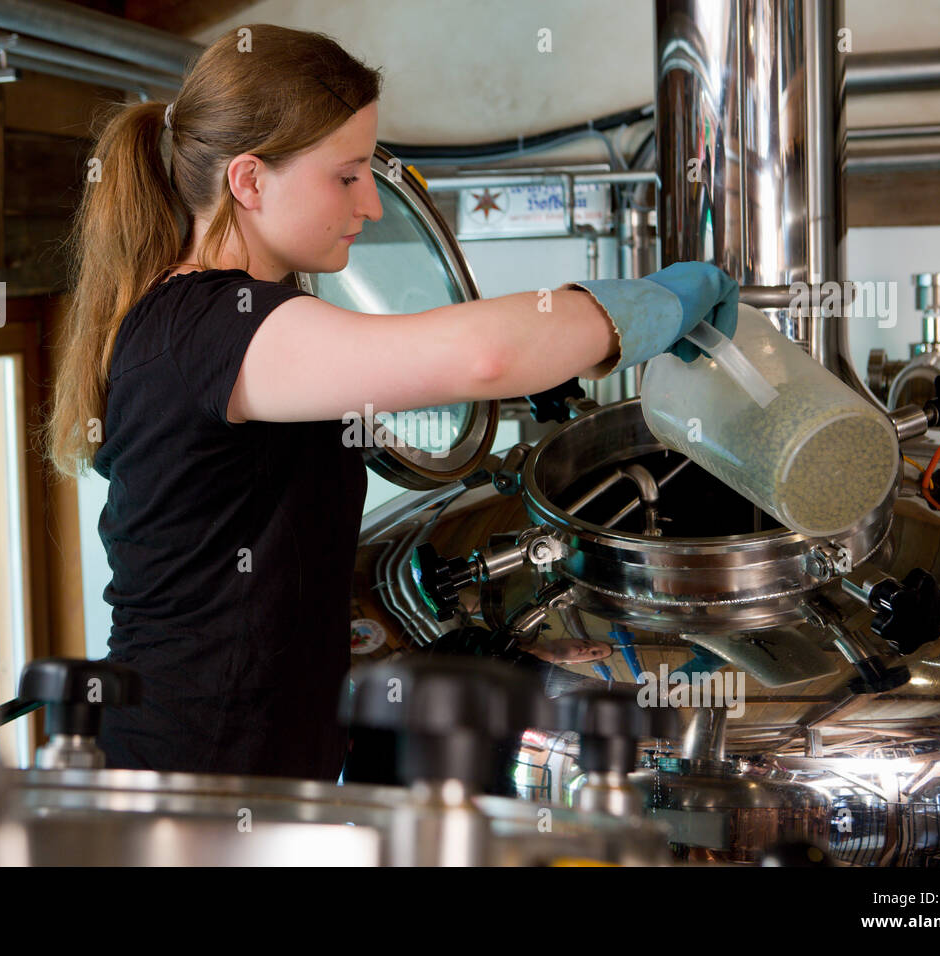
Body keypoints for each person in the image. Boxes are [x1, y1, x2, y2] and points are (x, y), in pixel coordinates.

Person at [42, 23, 738, 781]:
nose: (371, 204)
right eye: (346, 176)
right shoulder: (214, 327)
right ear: (249, 181)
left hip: (247, 765)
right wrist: (653, 307)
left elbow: (277, 569)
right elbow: (485, 356)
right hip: (188, 779)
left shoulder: (230, 317)